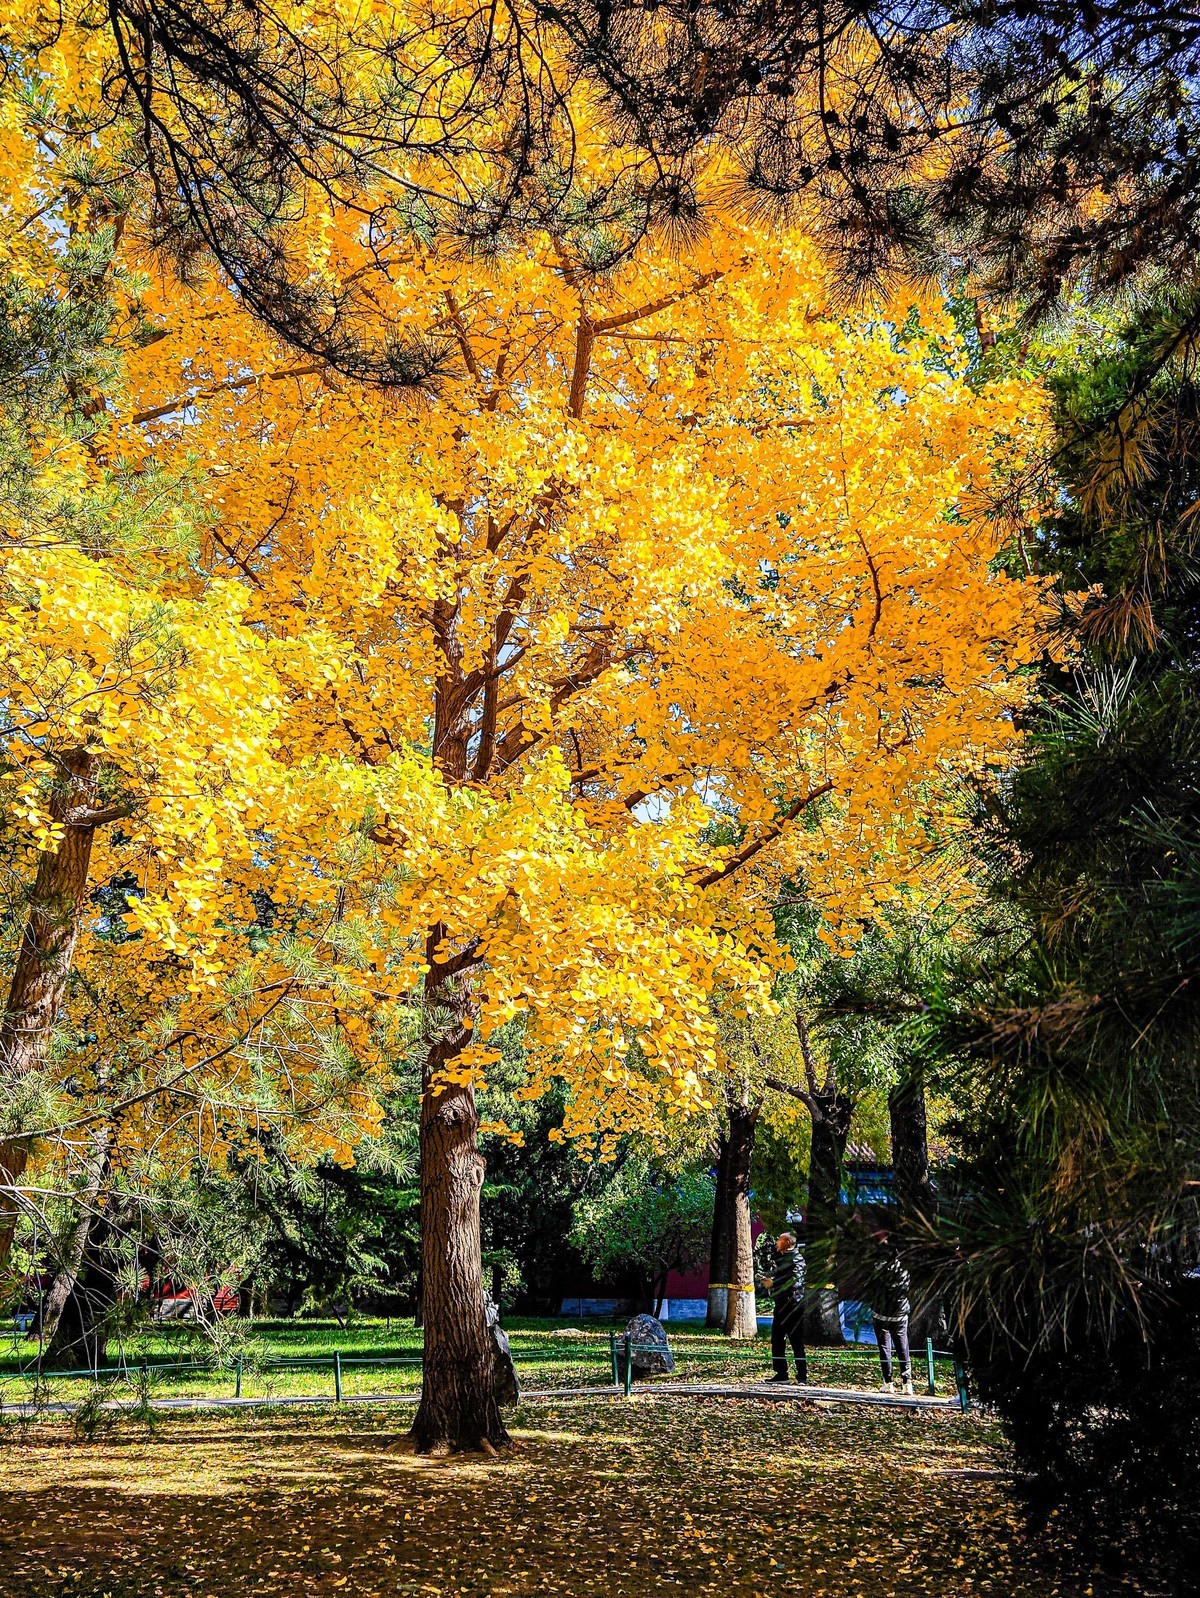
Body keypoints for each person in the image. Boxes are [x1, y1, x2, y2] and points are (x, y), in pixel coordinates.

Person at [871, 1233, 913, 1394]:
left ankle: (888, 1382)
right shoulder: (903, 1270)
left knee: (884, 1347)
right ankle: (907, 1383)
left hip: (881, 1314)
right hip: (900, 1313)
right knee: (903, 1346)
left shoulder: (877, 1271)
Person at [766, 1231, 808, 1384]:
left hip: (793, 1306)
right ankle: (781, 1373)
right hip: (781, 1304)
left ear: (786, 1242)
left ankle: (802, 1375)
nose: (777, 1242)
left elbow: (794, 1283)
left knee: (796, 1340)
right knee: (777, 1339)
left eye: (779, 1240)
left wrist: (774, 1284)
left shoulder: (797, 1259)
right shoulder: (783, 1258)